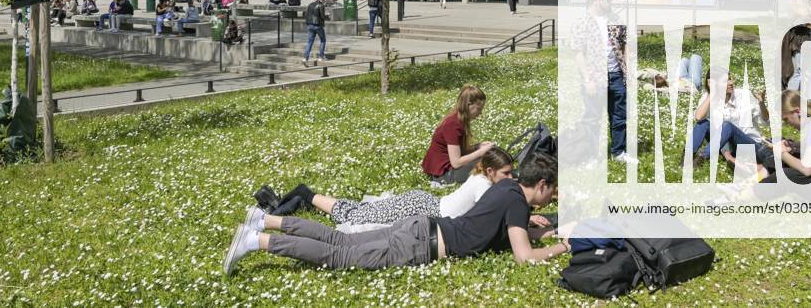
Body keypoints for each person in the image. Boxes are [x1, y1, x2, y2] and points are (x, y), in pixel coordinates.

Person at [224, 153, 564, 275]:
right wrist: (563, 247)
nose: (552, 198)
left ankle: (263, 220)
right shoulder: (517, 202)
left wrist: (538, 233)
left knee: (340, 239)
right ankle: (257, 240)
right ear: (543, 184)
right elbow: (525, 258)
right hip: (421, 243)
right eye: (554, 191)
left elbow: (502, 230)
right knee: (339, 256)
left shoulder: (506, 188)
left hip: (423, 225)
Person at [256, 148, 523, 229]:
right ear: (490, 171)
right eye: (507, 173)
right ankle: (305, 195)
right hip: (422, 207)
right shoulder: (484, 185)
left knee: (364, 211)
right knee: (359, 217)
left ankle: (301, 198)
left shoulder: (484, 181)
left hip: (424, 204)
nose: (511, 178)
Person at [569, 0, 636, 165]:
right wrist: (587, 79)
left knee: (619, 116)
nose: (611, 1)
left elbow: (625, 43)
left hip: (616, 76)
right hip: (595, 79)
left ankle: (618, 152)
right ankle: (591, 156)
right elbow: (578, 53)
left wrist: (628, 71)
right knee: (592, 119)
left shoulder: (615, 19)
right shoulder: (582, 22)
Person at [683, 66, 771, 170]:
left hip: (750, 145)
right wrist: (712, 94)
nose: (730, 83)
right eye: (725, 81)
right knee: (704, 123)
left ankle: (703, 157)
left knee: (727, 125)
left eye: (730, 78)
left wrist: (761, 103)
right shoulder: (708, 98)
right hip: (729, 146)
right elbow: (698, 118)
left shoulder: (744, 95)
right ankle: (687, 157)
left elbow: (766, 121)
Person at [422, 85, 496, 185]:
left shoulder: (459, 120)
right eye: (478, 109)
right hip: (443, 175)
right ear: (469, 104)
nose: (480, 113)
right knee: (489, 160)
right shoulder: (453, 124)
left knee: (491, 157)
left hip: (447, 170)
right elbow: (456, 162)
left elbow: (459, 150)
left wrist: (477, 147)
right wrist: (481, 151)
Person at [781, 25, 811, 90]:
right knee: (797, 72)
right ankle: (791, 97)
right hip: (799, 38)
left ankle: (795, 96)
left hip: (805, 37)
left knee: (802, 72)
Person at [301, 0, 329, 65]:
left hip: (310, 25)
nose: (324, 2)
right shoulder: (321, 5)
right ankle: (321, 56)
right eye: (324, 0)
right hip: (318, 25)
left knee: (310, 42)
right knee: (323, 40)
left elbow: (306, 14)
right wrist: (327, 16)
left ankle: (305, 58)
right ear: (322, 0)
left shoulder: (310, 4)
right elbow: (322, 16)